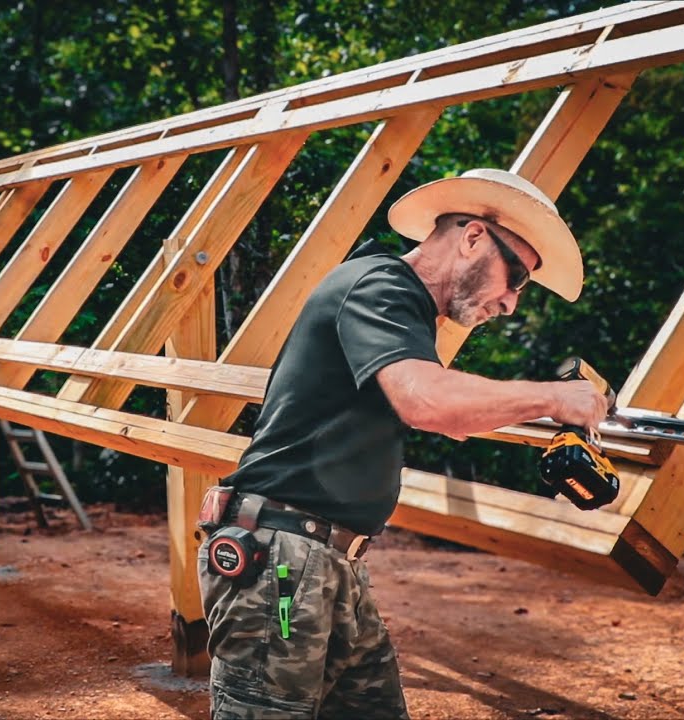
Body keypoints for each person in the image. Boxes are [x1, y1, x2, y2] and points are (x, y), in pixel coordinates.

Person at [197, 169, 609, 718]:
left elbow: (448, 415)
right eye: (516, 277)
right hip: (283, 564)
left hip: (327, 561)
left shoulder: (405, 310)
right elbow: (427, 402)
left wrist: (544, 414)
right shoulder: (378, 286)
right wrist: (554, 400)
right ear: (473, 237)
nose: (511, 302)